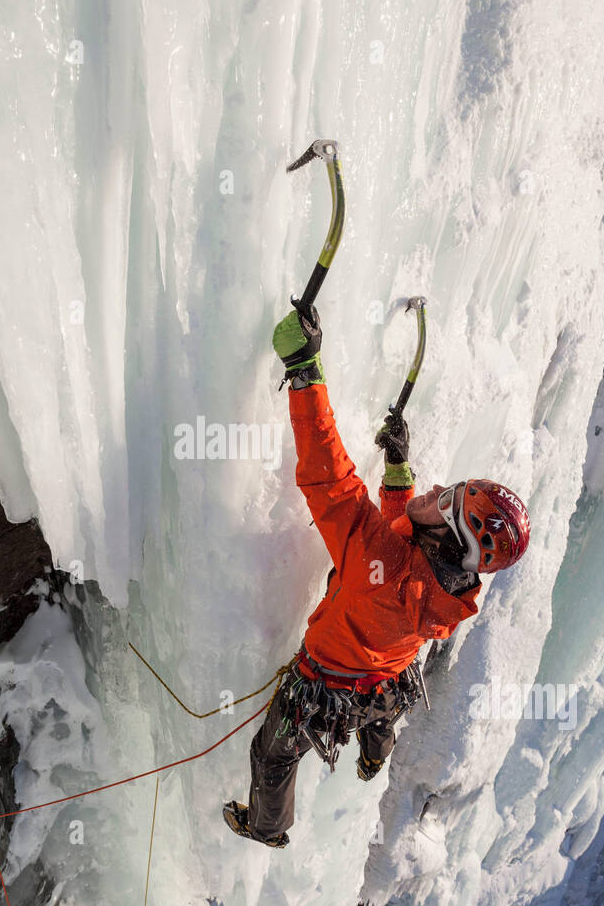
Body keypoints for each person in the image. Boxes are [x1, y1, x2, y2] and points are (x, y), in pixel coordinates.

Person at [223, 304, 531, 847]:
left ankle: (267, 827)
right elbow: (403, 545)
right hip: (386, 683)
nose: (435, 491)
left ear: (451, 539)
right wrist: (398, 474)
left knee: (271, 755)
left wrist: (304, 372)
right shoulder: (451, 589)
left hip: (323, 688)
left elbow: (330, 480)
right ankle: (372, 755)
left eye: (448, 500)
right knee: (382, 716)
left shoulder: (384, 566)